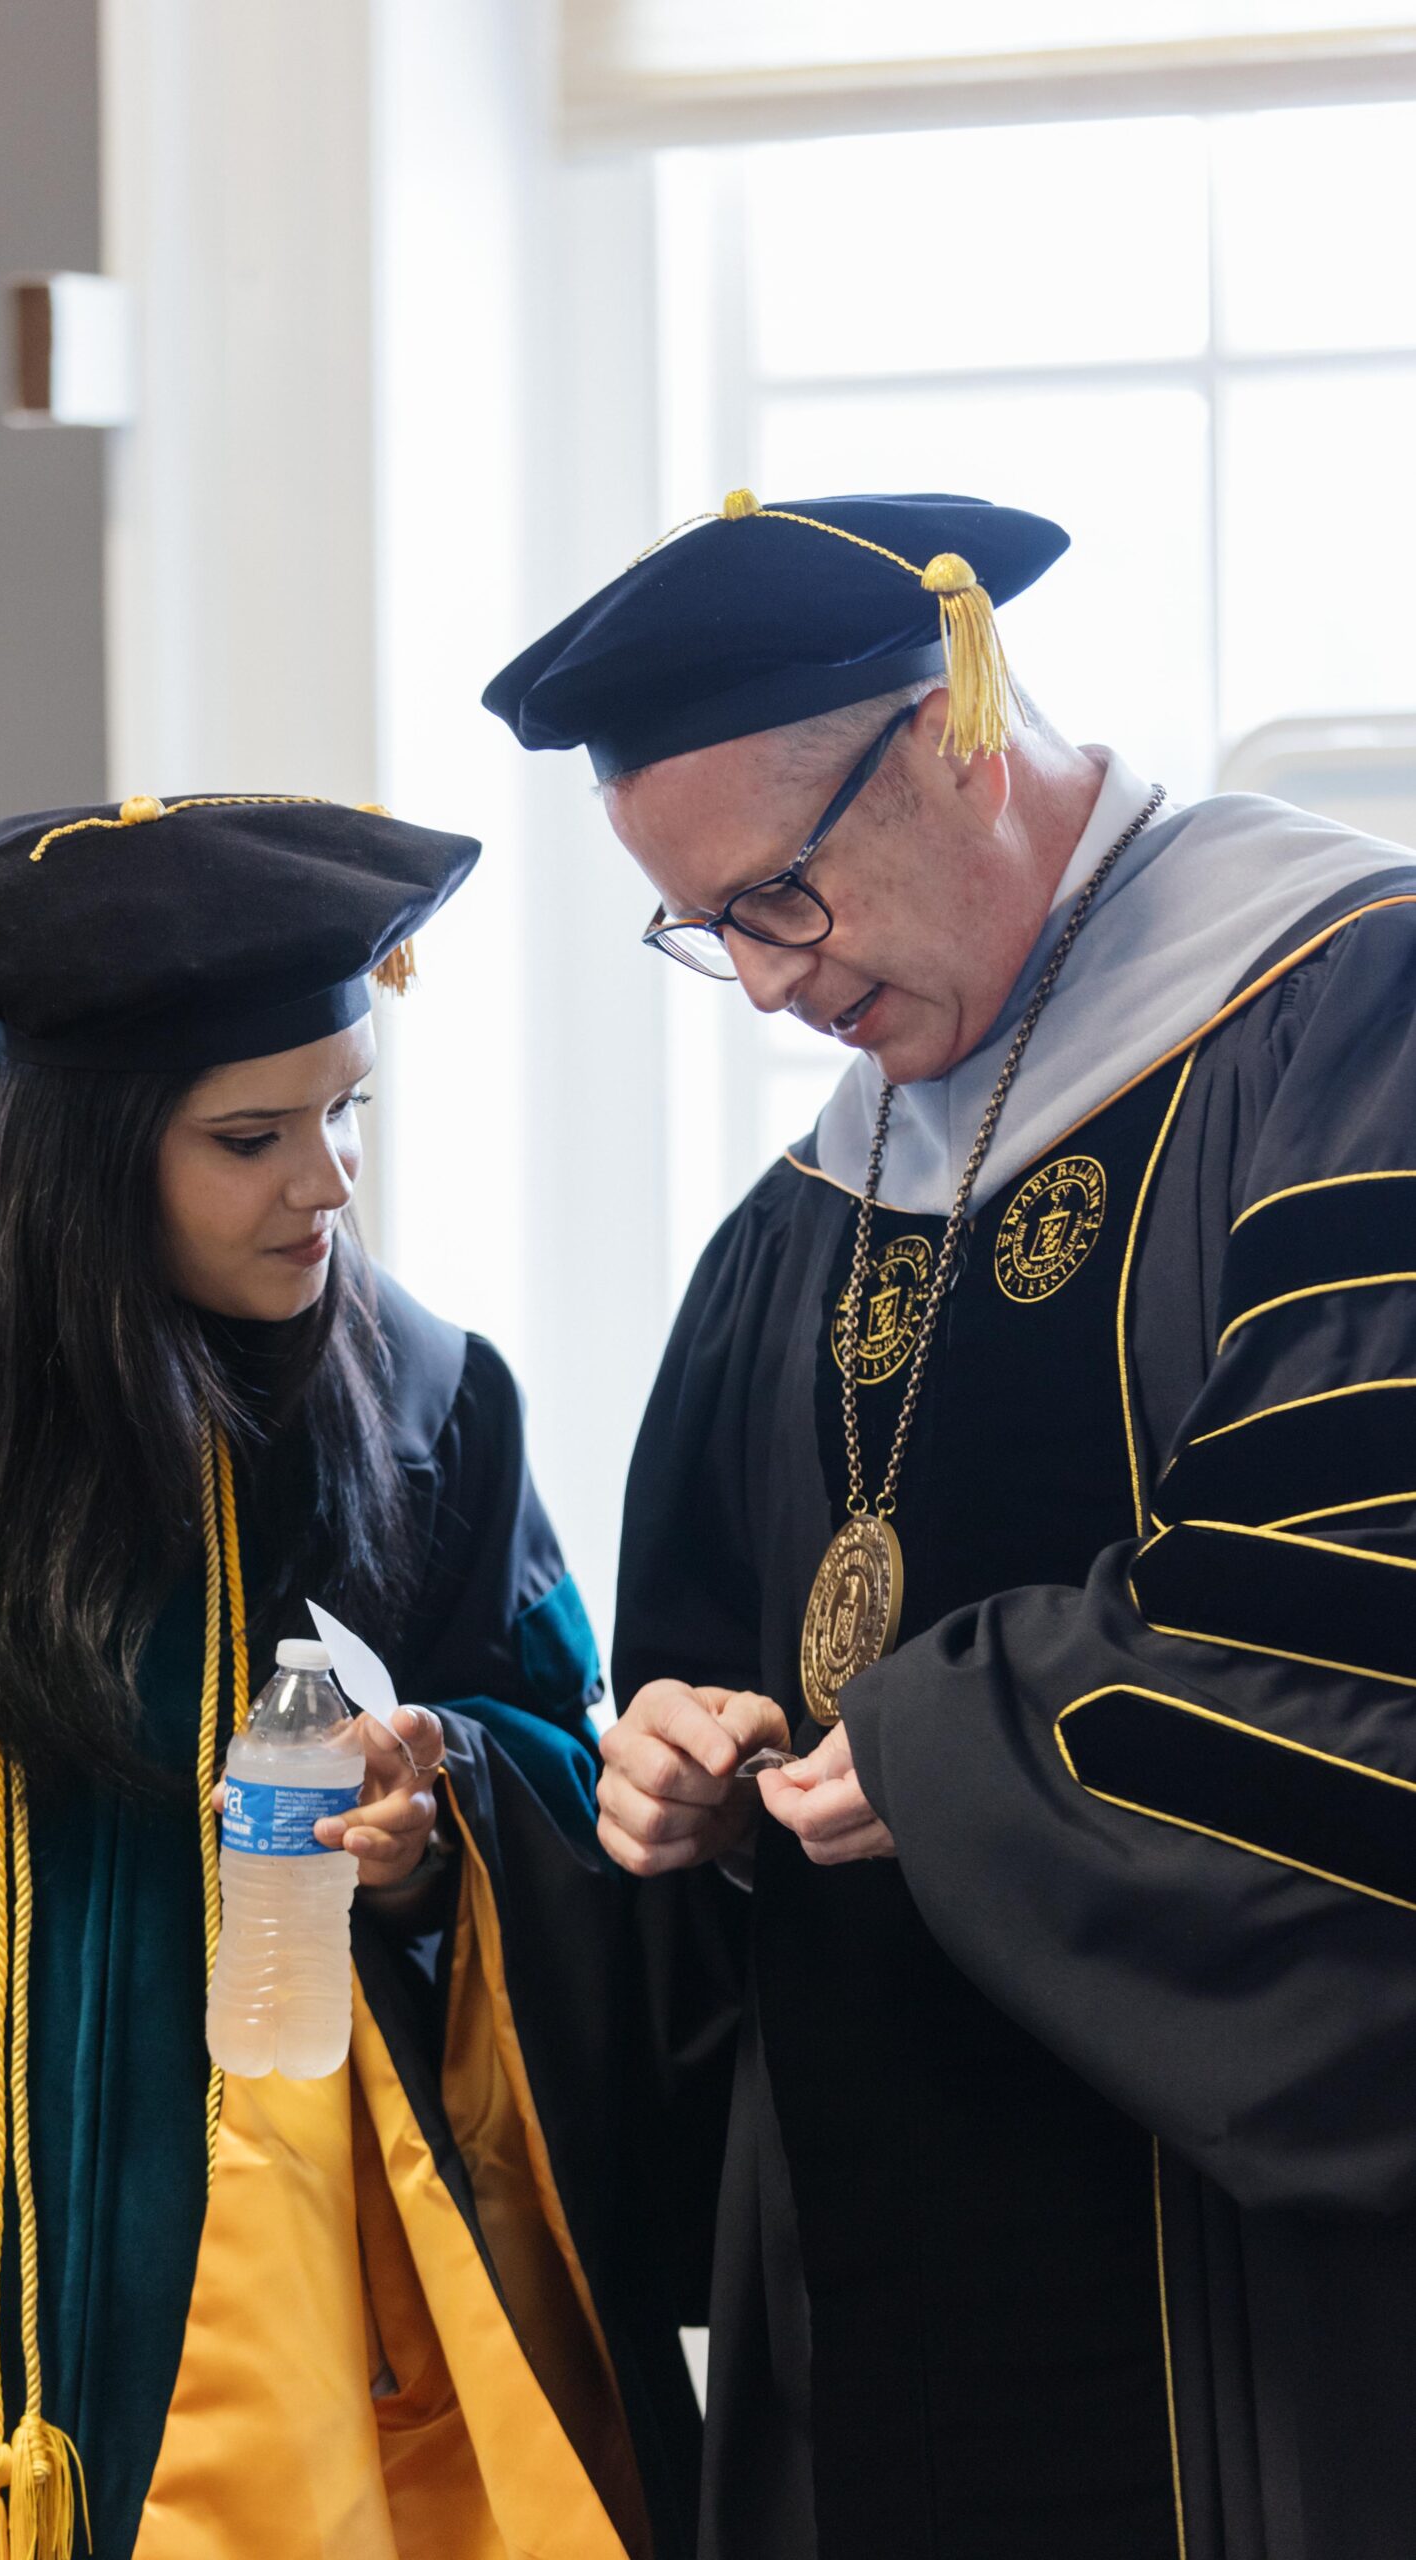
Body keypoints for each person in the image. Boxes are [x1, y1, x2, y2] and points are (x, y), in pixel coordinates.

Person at [485, 488, 1416, 2560]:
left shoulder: (1348, 1021)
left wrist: (936, 1742)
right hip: (878, 2270)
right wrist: (693, 1765)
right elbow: (715, 1644)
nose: (760, 986)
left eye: (777, 896)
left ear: (954, 739)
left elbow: (1348, 1641)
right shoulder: (809, 1214)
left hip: (1245, 2296)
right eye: (704, 928)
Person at [0, 791, 704, 2560]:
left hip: (259, 2360)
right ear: (73, 1147)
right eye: (251, 1136)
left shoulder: (419, 1399)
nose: (326, 1184)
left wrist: (437, 1828)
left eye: (347, 1112)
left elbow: (556, 1765)